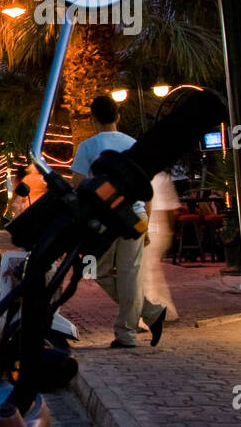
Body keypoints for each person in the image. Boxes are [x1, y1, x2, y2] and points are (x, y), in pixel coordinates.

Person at [71, 95, 166, 349]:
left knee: (98, 270)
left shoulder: (88, 147)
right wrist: (147, 222)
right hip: (135, 216)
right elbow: (146, 189)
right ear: (118, 116)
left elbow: (78, 186)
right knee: (129, 274)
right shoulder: (134, 144)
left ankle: (127, 333)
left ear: (93, 119)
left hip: (106, 219)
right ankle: (150, 313)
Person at [143, 171, 179, 320]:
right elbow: (171, 210)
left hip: (150, 230)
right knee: (152, 273)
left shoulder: (151, 177)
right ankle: (167, 311)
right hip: (159, 230)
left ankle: (149, 314)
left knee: (145, 275)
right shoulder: (161, 176)